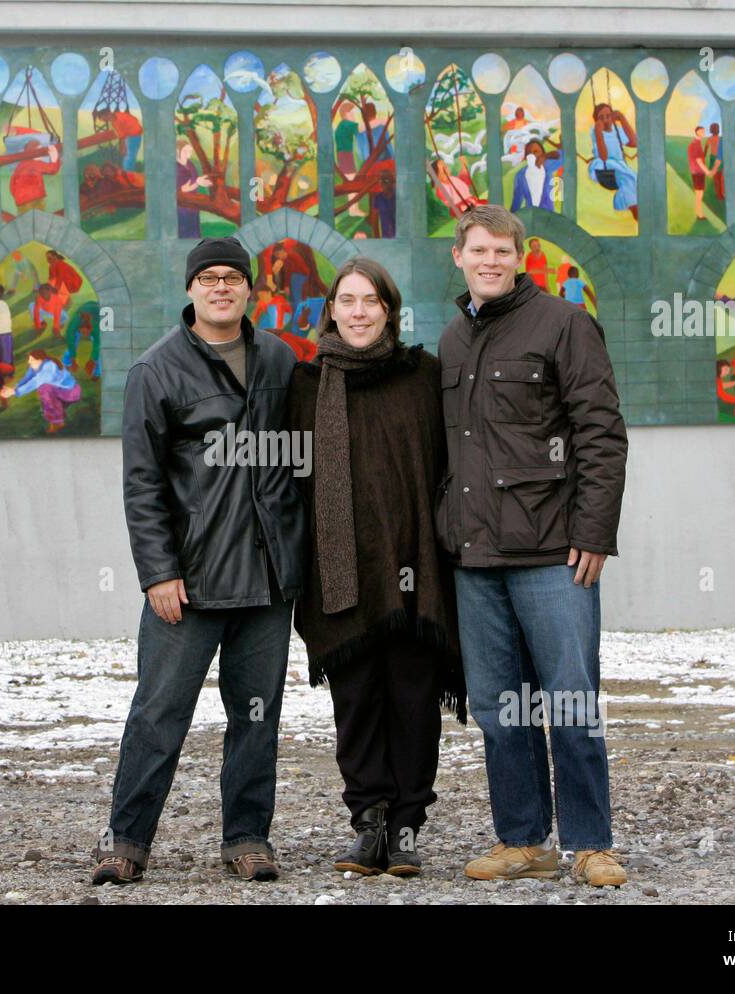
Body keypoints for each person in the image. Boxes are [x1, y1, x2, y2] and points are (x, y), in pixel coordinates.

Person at [91, 237, 305, 886]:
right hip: (190, 584)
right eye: (207, 278)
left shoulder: (279, 360)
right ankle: (126, 842)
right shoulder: (157, 371)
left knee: (256, 718)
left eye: (232, 278)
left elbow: (302, 460)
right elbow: (142, 483)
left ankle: (247, 839)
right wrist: (158, 572)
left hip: (267, 582)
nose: (220, 288)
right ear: (191, 290)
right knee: (158, 715)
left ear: (249, 290)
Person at [438, 205, 629, 888]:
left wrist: (593, 532)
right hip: (477, 559)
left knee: (571, 699)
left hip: (554, 554)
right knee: (497, 707)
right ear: (458, 256)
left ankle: (590, 841)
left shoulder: (564, 324)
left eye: (503, 251)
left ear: (519, 257)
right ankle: (522, 840)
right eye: (479, 250)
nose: (490, 261)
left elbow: (601, 432)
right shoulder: (455, 339)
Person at [286, 257, 466, 878]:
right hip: (340, 576)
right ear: (331, 309)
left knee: (414, 701)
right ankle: (368, 822)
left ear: (389, 309)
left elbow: (452, 465)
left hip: (416, 568)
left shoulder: (423, 377)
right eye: (347, 300)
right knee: (357, 701)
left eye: (371, 301)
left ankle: (408, 824)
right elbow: (288, 482)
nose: (359, 312)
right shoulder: (307, 385)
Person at [587, 103, 638, 221]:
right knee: (628, 180)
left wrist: (622, 118)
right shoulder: (596, 132)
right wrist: (599, 133)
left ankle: (632, 206)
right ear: (596, 121)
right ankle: (633, 209)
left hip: (619, 167)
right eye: (601, 117)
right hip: (604, 169)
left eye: (608, 116)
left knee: (632, 181)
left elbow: (634, 142)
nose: (605, 120)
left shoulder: (617, 130)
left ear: (613, 116)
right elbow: (604, 157)